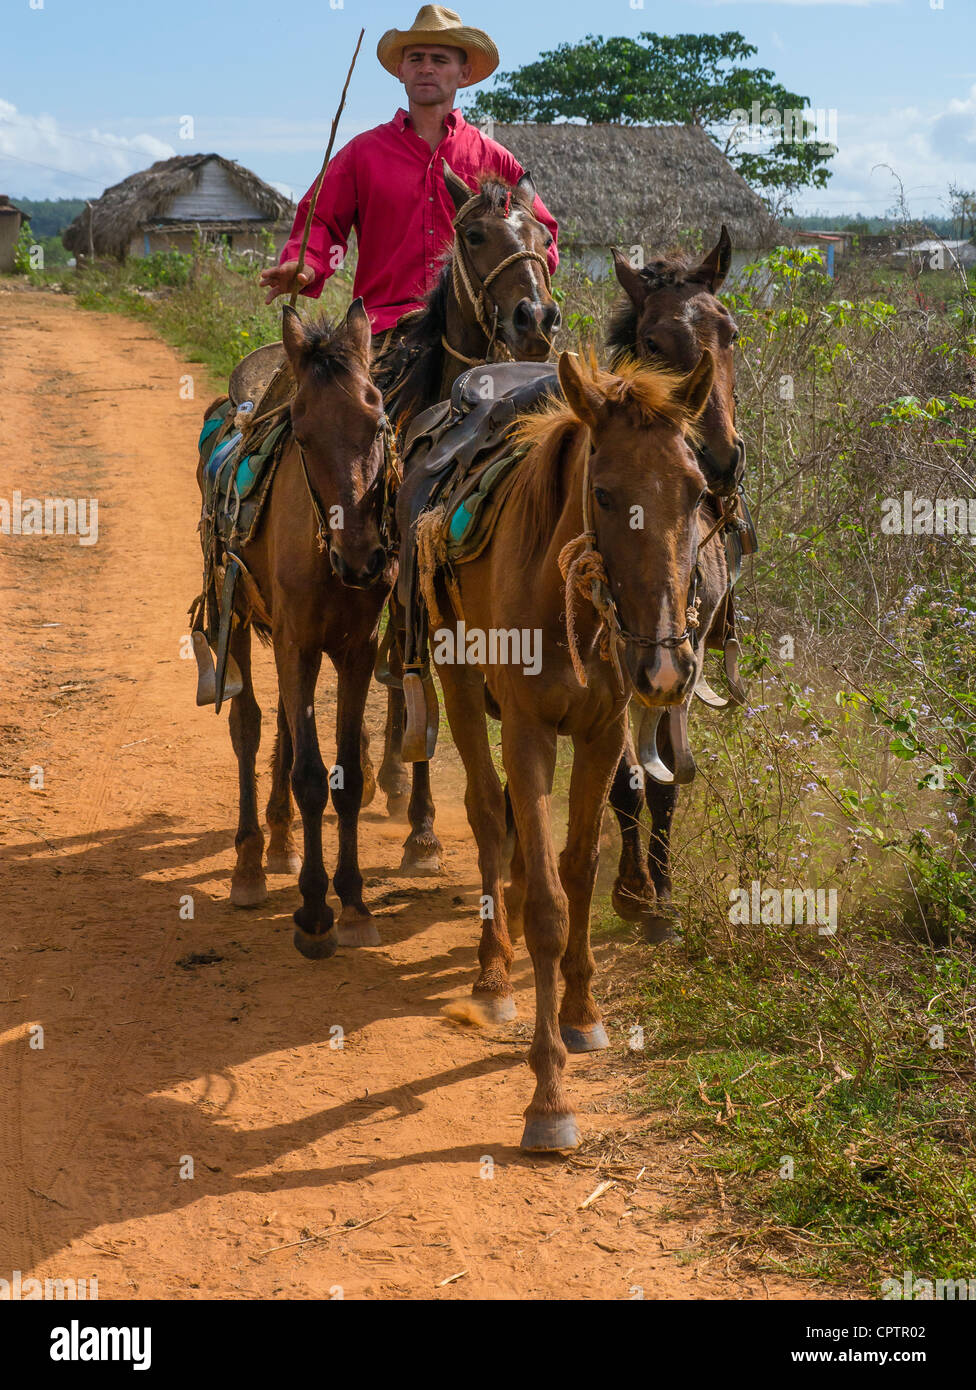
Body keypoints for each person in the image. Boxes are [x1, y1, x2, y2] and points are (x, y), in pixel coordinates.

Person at [259, 5, 559, 356]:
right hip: (380, 332)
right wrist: (306, 263)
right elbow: (322, 219)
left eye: (440, 59)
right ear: (401, 71)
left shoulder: (493, 158)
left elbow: (540, 235)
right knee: (315, 405)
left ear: (463, 72)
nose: (426, 68)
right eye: (416, 58)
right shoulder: (362, 153)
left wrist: (521, 291)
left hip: (475, 336)